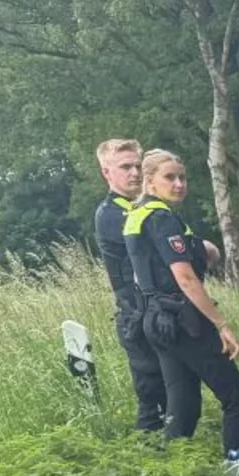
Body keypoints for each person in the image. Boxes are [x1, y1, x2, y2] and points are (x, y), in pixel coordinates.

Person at [123, 150, 239, 457]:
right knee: (238, 401)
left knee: (183, 407)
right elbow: (184, 278)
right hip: (184, 320)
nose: (179, 184)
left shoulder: (136, 215)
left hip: (155, 318)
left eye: (182, 177)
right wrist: (221, 323)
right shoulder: (162, 219)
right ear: (150, 181)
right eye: (169, 177)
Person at [91, 139, 170, 433]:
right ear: (106, 173)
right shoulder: (112, 213)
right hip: (136, 316)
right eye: (126, 167)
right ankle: (150, 463)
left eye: (138, 166)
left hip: (156, 312)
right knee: (153, 400)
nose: (135, 173)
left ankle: (174, 460)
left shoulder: (142, 206)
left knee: (174, 395)